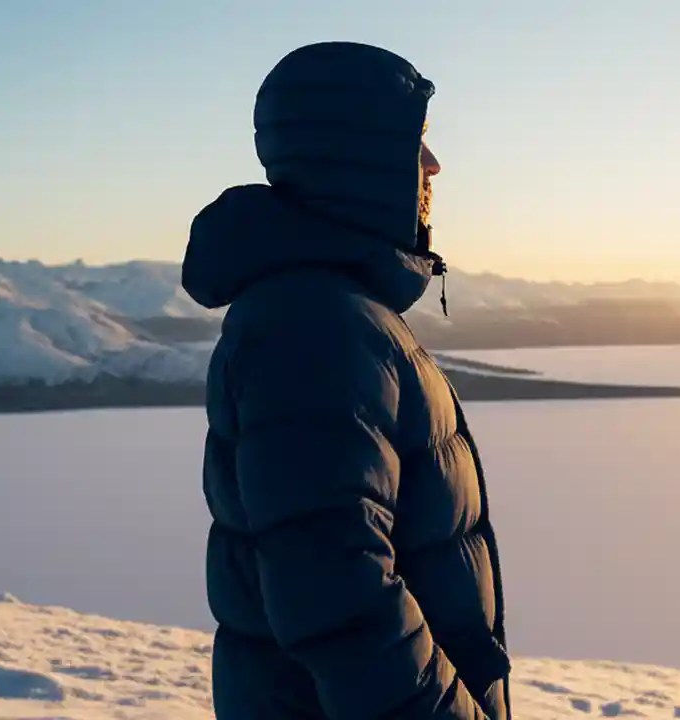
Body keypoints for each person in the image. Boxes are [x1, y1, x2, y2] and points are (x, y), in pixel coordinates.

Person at [181, 42, 510, 719]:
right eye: (416, 142)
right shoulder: (314, 324)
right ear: (360, 160)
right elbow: (341, 594)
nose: (433, 165)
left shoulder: (333, 311)